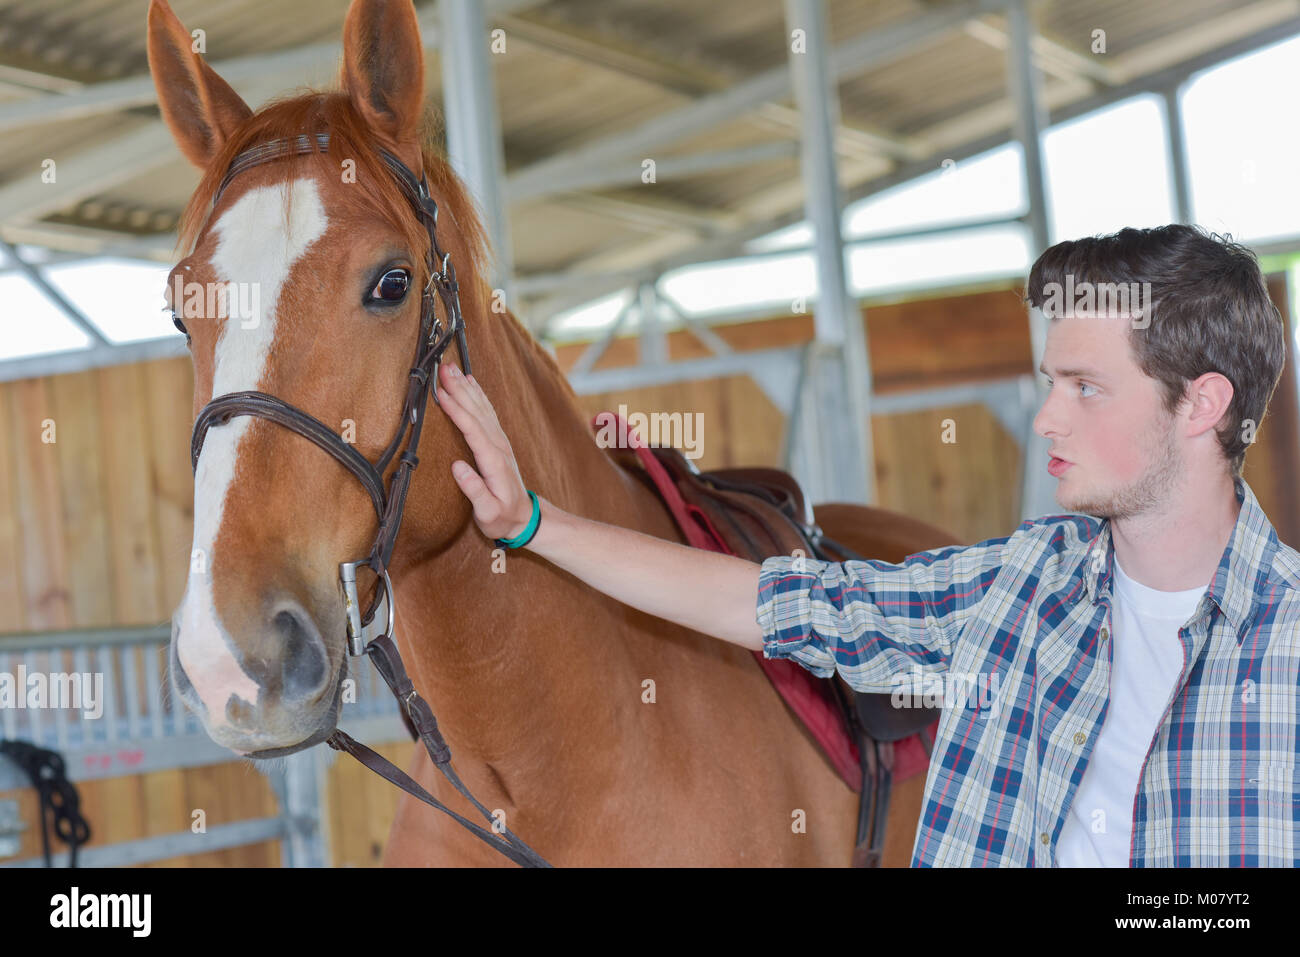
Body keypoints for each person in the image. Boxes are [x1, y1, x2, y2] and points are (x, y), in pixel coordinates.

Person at [433, 224, 1300, 867]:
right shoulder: (1021, 585)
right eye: (1050, 383)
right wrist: (533, 522)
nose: (1046, 416)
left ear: (1202, 404)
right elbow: (766, 603)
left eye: (1086, 387)